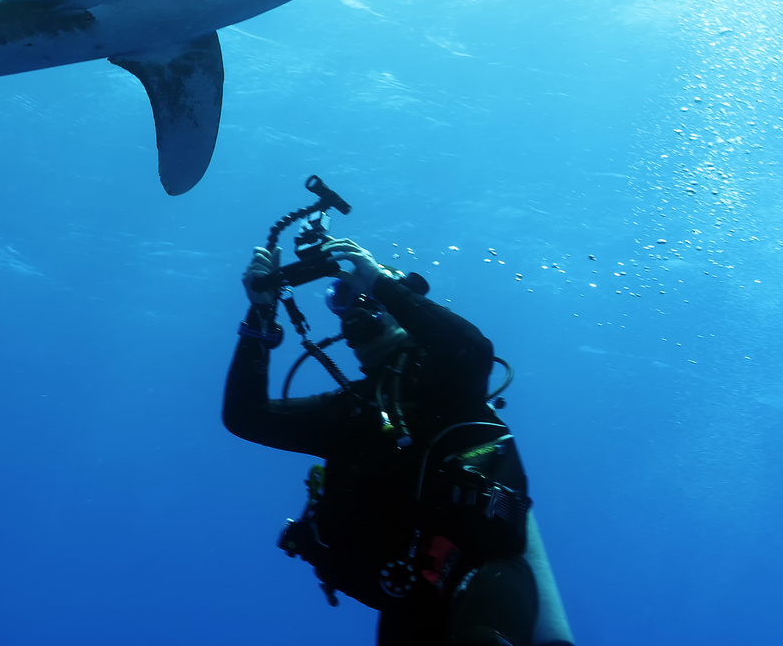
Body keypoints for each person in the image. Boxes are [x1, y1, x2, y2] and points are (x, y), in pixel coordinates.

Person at [224, 237, 570, 646]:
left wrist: (381, 283)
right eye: (339, 299)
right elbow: (247, 417)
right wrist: (261, 311)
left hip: (485, 579)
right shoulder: (346, 412)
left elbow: (473, 349)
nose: (352, 308)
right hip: (407, 606)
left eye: (361, 294)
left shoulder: (448, 382)